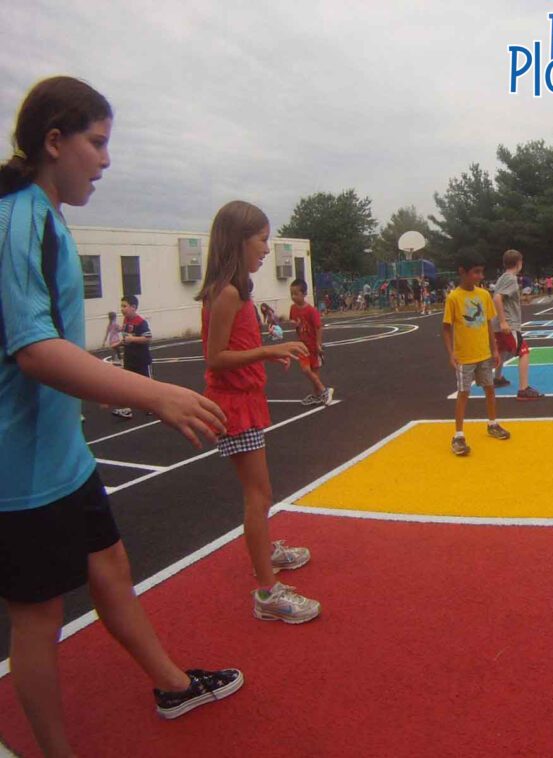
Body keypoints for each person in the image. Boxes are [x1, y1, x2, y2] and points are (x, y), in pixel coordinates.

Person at [0, 76, 243, 758]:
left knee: (110, 564)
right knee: (38, 618)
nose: (106, 161)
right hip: (20, 469)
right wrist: (152, 394)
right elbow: (33, 349)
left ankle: (172, 684)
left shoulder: (47, 218)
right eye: (97, 143)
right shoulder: (19, 220)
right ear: (55, 141)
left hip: (63, 454)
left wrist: (113, 390)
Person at [198, 200, 320, 625]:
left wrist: (265, 352)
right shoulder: (227, 293)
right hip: (235, 405)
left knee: (259, 491)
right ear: (239, 241)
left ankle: (265, 551)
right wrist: (269, 350)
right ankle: (267, 592)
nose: (268, 249)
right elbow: (215, 357)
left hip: (244, 400)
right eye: (263, 240)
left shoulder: (232, 290)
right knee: (259, 494)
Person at [444, 251, 510, 456]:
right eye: (476, 272)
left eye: (482, 272)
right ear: (462, 272)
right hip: (464, 357)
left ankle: (492, 423)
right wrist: (451, 353)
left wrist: (494, 349)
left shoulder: (483, 295)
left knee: (490, 389)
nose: (480, 276)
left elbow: (488, 323)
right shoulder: (454, 298)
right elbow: (446, 328)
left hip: (483, 354)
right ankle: (458, 435)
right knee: (463, 393)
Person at [492, 248, 543, 400]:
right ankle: (523, 389)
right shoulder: (511, 279)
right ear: (519, 263)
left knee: (502, 350)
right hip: (508, 323)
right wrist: (503, 322)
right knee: (524, 352)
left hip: (497, 323)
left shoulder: (503, 277)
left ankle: (497, 378)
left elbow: (502, 297)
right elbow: (497, 298)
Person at [286, 279, 332, 406]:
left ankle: (318, 395)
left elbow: (318, 327)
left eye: (296, 294)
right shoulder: (293, 308)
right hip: (303, 346)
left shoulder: (311, 311)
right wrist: (294, 324)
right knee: (306, 369)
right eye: (291, 294)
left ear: (304, 293)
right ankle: (324, 390)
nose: (293, 297)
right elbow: (293, 322)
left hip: (312, 346)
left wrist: (318, 344)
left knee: (314, 372)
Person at [110, 294, 152, 419]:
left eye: (125, 306)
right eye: (121, 306)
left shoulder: (141, 322)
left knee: (147, 385)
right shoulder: (126, 321)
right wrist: (118, 344)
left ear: (133, 307)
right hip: (129, 359)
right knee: (126, 385)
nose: (122, 309)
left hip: (141, 360)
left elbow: (148, 338)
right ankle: (126, 409)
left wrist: (133, 339)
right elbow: (126, 339)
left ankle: (151, 406)